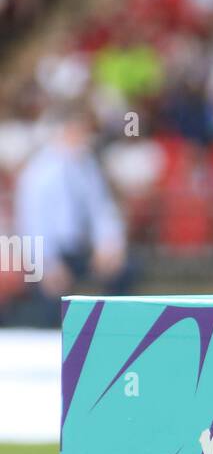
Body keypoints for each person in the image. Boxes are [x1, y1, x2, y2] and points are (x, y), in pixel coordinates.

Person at [12, 104, 130, 326]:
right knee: (47, 293)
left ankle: (112, 332)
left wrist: (109, 245)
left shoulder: (88, 167)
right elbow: (31, 224)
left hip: (81, 252)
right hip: (48, 255)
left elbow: (102, 211)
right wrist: (47, 265)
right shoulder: (38, 173)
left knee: (125, 270)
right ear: (64, 131)